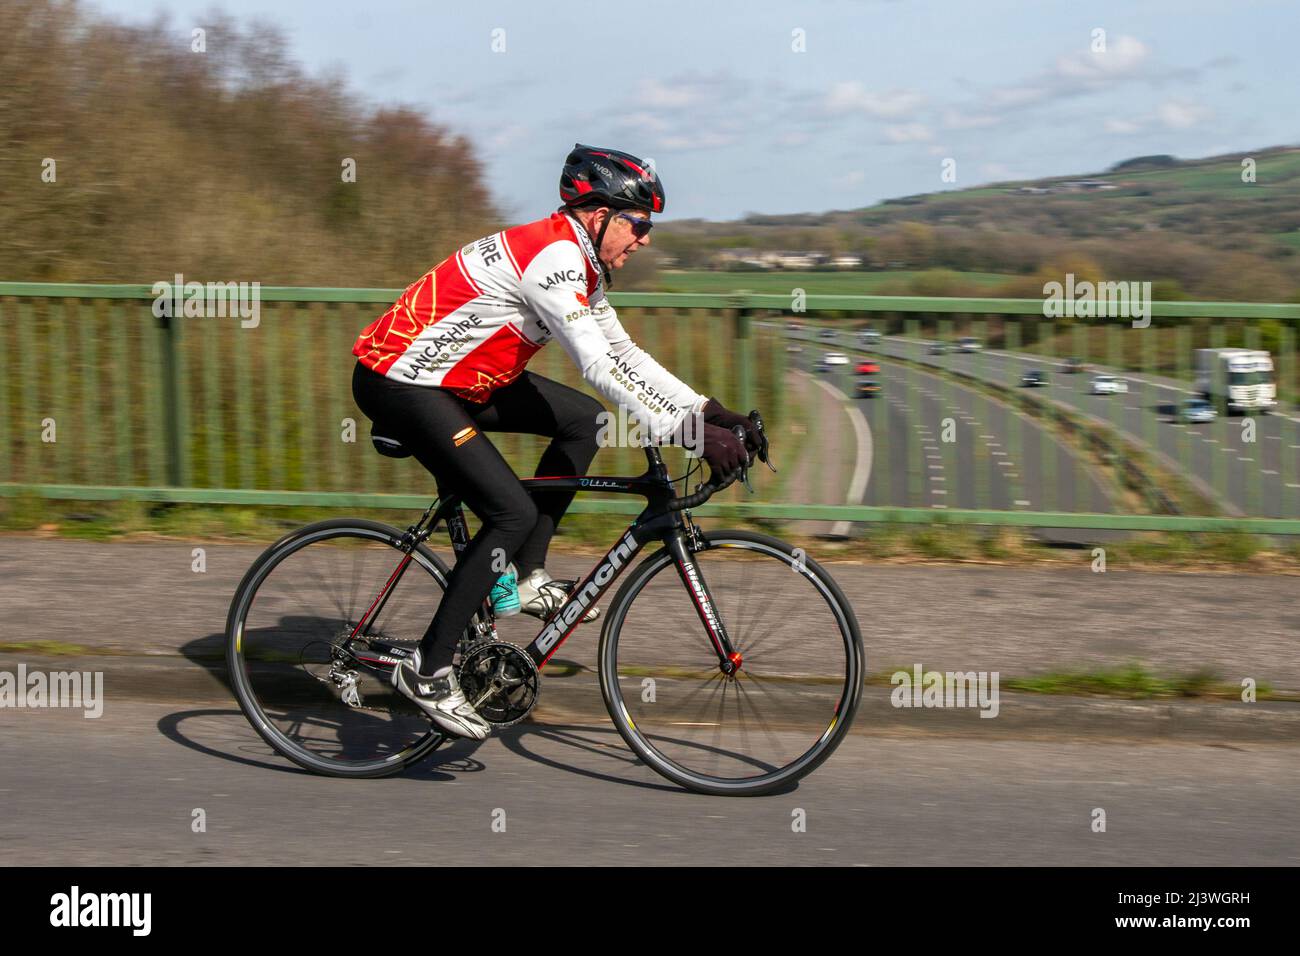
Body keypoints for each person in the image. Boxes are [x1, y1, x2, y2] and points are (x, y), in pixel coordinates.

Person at [350, 144, 762, 739]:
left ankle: (522, 575)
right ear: (599, 216)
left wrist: (710, 413)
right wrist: (690, 435)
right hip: (404, 382)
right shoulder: (554, 259)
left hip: (463, 379)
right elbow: (596, 364)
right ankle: (430, 668)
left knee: (586, 422)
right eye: (639, 223)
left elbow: (623, 352)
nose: (644, 238)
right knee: (510, 510)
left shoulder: (582, 261)